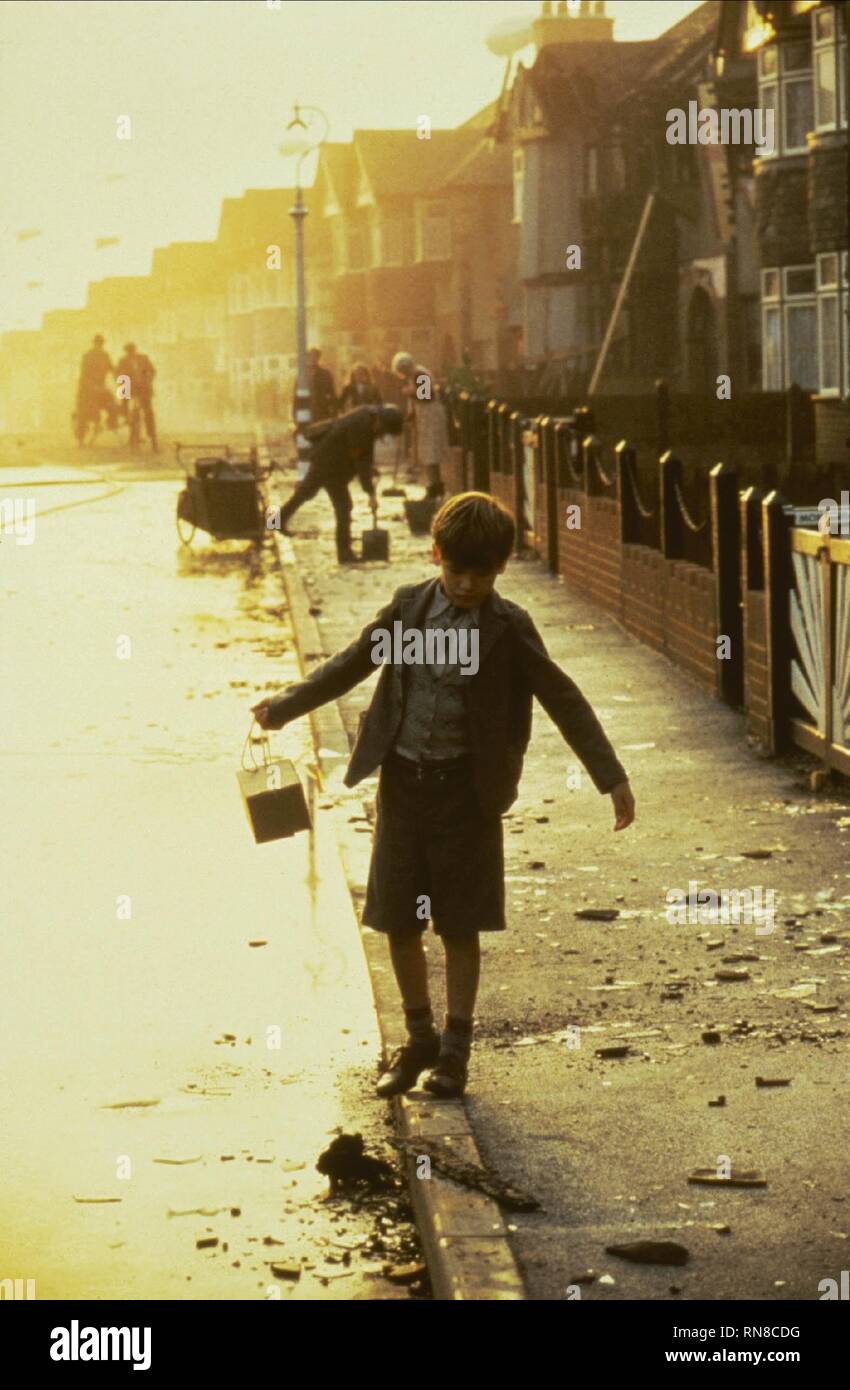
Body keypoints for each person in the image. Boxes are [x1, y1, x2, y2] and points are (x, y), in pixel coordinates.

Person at [251, 492, 635, 1098]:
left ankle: (455, 1053)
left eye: (480, 575)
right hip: (403, 788)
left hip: (468, 797)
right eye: (456, 571)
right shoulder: (406, 612)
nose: (465, 584)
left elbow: (562, 697)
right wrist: (285, 705)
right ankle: (419, 1038)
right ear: (436, 555)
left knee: (460, 924)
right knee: (397, 919)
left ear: (501, 569)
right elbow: (352, 663)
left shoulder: (508, 628)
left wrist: (610, 776)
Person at [277, 403, 403, 563]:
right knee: (343, 506)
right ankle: (344, 554)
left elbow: (364, 454)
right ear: (382, 422)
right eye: (385, 431)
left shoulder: (368, 417)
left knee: (305, 493)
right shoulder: (362, 425)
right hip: (330, 463)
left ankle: (277, 520)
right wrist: (370, 493)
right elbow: (360, 459)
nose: (383, 435)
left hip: (329, 460)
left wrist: (370, 470)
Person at [391, 350, 448, 499]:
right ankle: (434, 485)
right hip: (424, 417)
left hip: (431, 417)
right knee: (427, 453)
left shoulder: (420, 374)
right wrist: (410, 416)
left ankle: (435, 487)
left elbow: (425, 396)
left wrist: (409, 392)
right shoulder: (413, 376)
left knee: (431, 453)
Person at [115, 343, 158, 452]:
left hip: (144, 390)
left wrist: (148, 380)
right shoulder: (123, 361)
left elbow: (152, 371)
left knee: (148, 413)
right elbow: (118, 375)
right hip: (131, 390)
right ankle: (129, 423)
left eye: (131, 351)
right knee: (130, 410)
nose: (130, 353)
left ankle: (153, 439)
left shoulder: (143, 359)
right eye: (129, 352)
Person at [76, 334, 117, 432]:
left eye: (101, 343)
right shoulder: (88, 356)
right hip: (87, 388)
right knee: (83, 410)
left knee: (112, 404)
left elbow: (112, 369)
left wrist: (121, 378)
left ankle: (111, 422)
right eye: (98, 343)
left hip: (101, 388)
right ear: (94, 344)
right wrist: (90, 386)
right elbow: (84, 373)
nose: (99, 345)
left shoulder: (105, 356)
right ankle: (82, 431)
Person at [292, 346, 337, 425]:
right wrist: (295, 414)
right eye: (310, 356)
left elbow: (331, 393)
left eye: (315, 356)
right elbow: (296, 397)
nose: (313, 359)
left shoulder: (325, 374)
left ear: (318, 358)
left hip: (322, 411)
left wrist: (334, 411)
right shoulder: (301, 375)